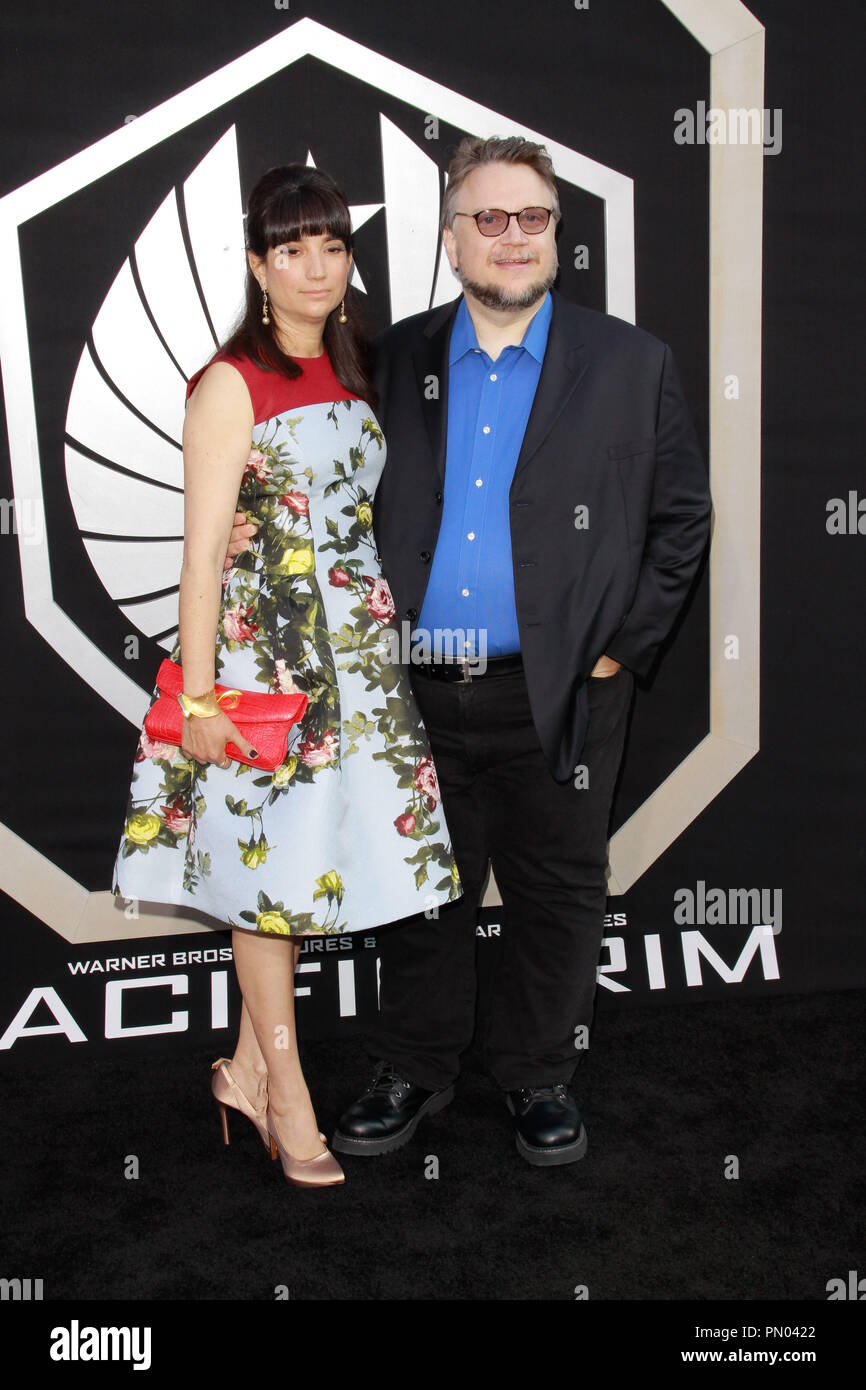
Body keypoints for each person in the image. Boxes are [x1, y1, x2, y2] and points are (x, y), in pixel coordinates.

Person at [226, 136, 711, 1168]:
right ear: (450, 239)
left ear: (553, 236)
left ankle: (536, 1077)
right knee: (419, 893)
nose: (509, 237)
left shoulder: (632, 364)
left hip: (564, 694)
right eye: (485, 218)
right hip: (406, 690)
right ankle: (412, 1067)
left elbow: (681, 521)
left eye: (529, 218)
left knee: (557, 889)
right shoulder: (388, 357)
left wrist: (619, 651)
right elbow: (312, 468)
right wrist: (248, 522)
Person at [113, 164, 460, 1188]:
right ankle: (284, 1090)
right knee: (265, 886)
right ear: (259, 266)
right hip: (269, 666)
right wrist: (205, 699)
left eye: (332, 245)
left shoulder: (357, 370)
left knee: (293, 879)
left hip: (358, 660)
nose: (316, 266)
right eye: (292, 248)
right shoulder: (232, 380)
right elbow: (201, 552)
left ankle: (238, 1068)